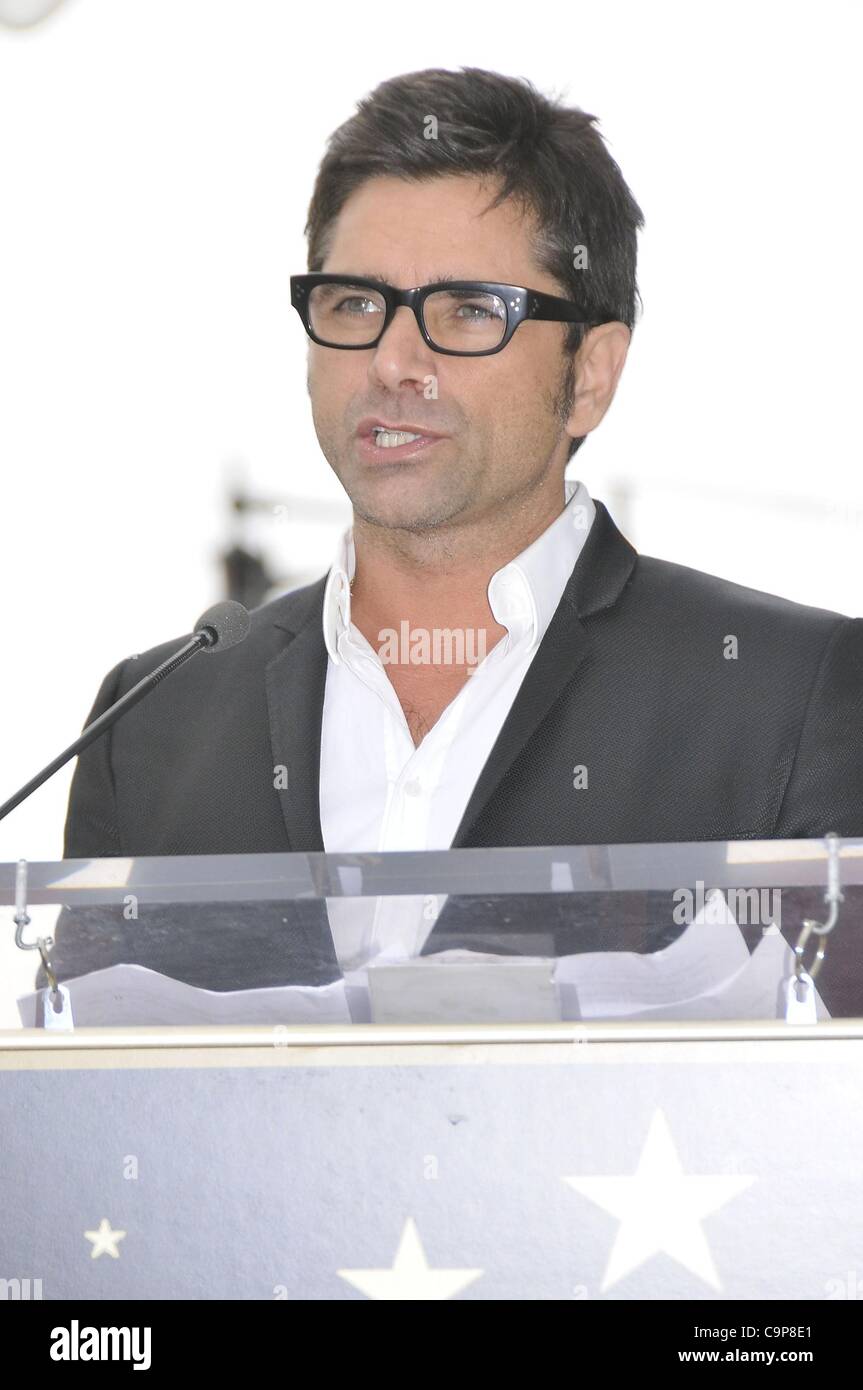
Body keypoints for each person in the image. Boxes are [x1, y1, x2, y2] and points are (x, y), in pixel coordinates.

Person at [57, 68, 862, 985]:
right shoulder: (151, 724)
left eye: (469, 311)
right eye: (354, 303)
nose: (396, 362)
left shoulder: (792, 701)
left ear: (590, 373)